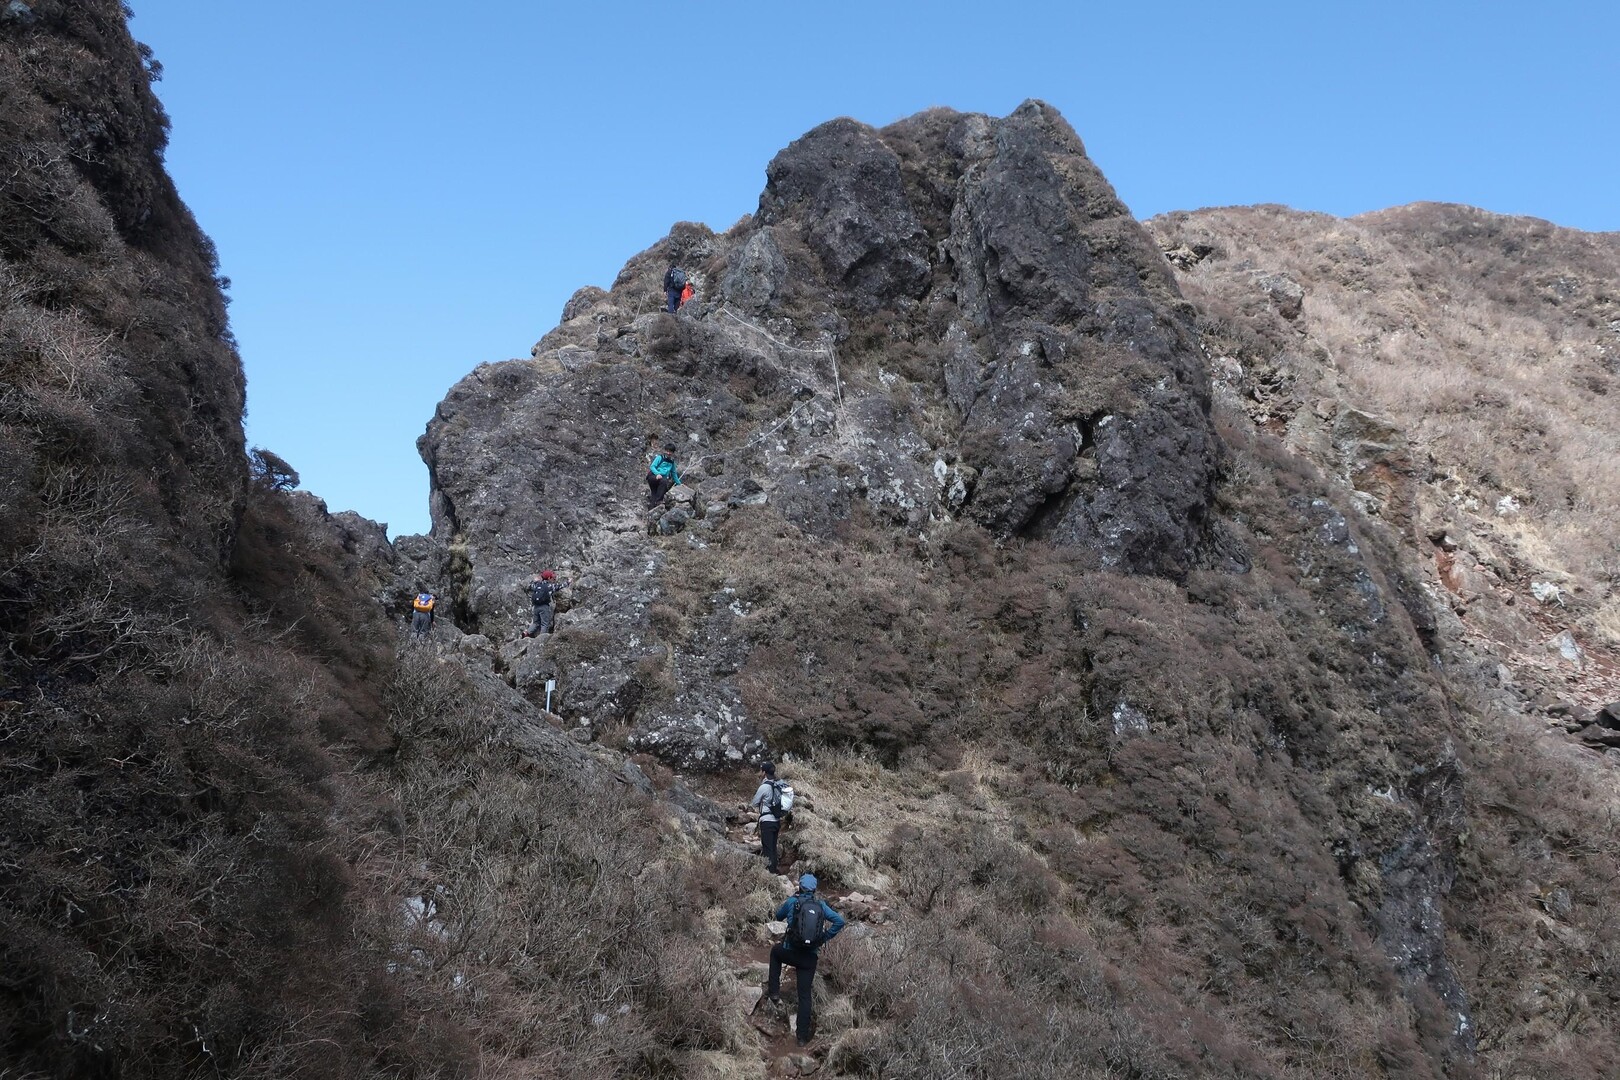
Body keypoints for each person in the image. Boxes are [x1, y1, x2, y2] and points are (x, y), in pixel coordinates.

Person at [767, 874, 845, 1046]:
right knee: (805, 996)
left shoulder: (792, 902)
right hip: (809, 959)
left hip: (790, 952)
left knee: (775, 953)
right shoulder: (821, 906)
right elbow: (840, 921)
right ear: (814, 890)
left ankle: (773, 992)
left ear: (800, 888)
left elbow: (778, 916)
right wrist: (823, 937)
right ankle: (801, 1037)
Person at [750, 762, 785, 874]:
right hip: (776, 820)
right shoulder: (778, 785)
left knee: (767, 848)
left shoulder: (764, 787)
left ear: (764, 773)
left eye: (761, 771)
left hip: (766, 821)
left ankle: (770, 873)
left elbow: (754, 803)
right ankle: (774, 869)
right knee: (773, 847)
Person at [522, 570, 568, 637]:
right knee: (544, 624)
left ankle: (526, 632)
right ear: (549, 578)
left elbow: (530, 586)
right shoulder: (549, 586)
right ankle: (541, 638)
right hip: (544, 607)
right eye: (552, 577)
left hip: (536, 607)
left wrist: (534, 581)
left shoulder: (537, 585)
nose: (553, 578)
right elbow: (559, 586)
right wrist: (568, 582)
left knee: (535, 623)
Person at [647, 443, 682, 509]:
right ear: (665, 451)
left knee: (654, 494)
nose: (668, 453)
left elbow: (673, 473)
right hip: (653, 477)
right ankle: (659, 501)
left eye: (670, 451)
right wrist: (657, 474)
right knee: (664, 480)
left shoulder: (672, 462)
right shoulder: (660, 458)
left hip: (661, 481)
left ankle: (652, 510)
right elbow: (652, 467)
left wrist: (679, 484)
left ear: (673, 452)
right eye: (667, 451)